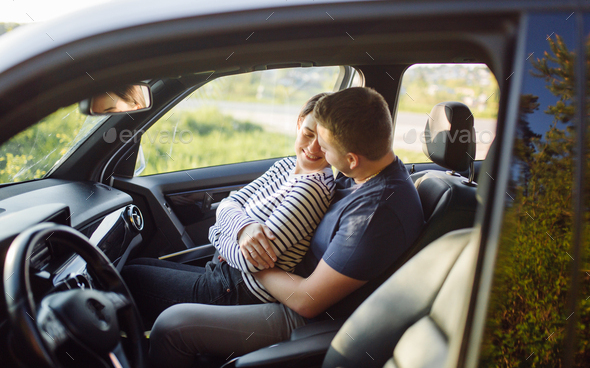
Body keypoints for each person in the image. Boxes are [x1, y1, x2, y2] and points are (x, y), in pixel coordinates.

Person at [148, 87, 425, 368]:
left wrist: (250, 258)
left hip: (301, 315)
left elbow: (308, 301)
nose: (319, 153)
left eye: (326, 148)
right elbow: (234, 208)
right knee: (138, 269)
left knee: (172, 326)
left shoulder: (376, 213)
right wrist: (241, 232)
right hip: (276, 283)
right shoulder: (359, 173)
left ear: (351, 158)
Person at [121, 93, 335, 326]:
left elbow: (252, 263)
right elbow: (229, 203)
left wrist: (219, 234)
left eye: (324, 140)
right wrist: (242, 229)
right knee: (133, 266)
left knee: (130, 279)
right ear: (298, 124)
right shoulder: (285, 165)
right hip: (222, 272)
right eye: (308, 133)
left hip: (238, 290)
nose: (313, 147)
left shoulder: (313, 189)